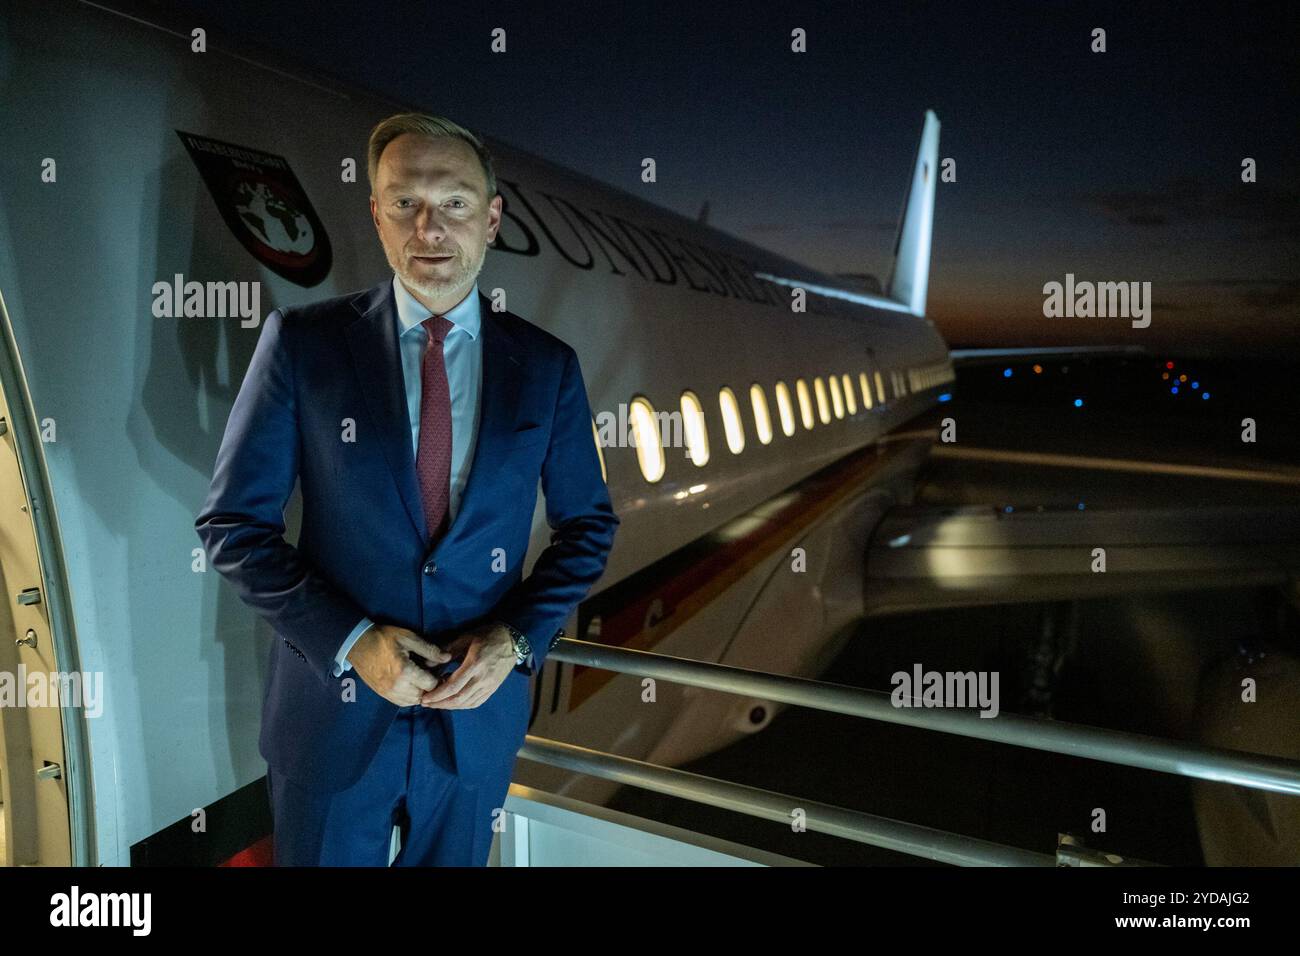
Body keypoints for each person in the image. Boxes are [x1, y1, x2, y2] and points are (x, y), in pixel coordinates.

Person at [195, 112, 619, 866]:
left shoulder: (547, 367)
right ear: (376, 215)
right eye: (404, 203)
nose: (429, 228)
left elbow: (588, 528)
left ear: (491, 219)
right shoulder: (303, 346)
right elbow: (232, 526)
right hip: (331, 718)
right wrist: (354, 643)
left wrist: (515, 640)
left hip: (475, 723)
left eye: (454, 203)